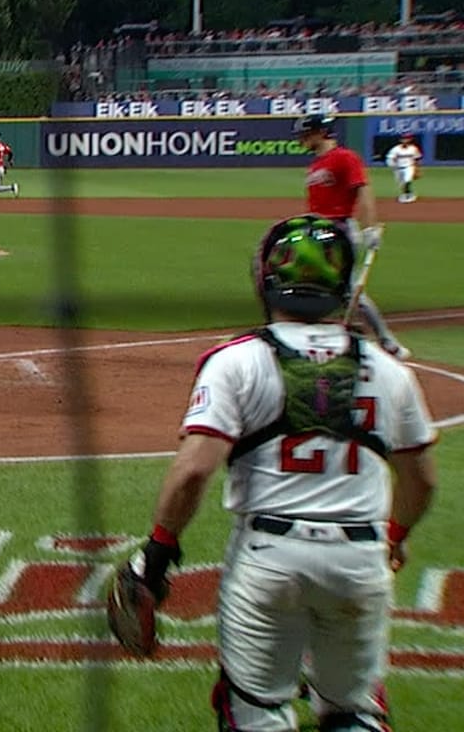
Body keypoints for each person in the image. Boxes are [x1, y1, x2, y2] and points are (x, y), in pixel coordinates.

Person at [117, 214, 437, 732]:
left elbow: (194, 471)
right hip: (359, 561)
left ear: (265, 279)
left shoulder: (236, 361)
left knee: (255, 710)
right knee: (353, 710)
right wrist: (394, 537)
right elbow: (422, 480)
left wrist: (156, 553)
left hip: (268, 560)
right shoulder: (388, 371)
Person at [294, 113, 410, 360]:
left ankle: (387, 341)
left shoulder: (344, 158)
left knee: (348, 290)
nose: (301, 140)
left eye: (306, 134)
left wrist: (370, 227)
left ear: (320, 133)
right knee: (318, 286)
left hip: (340, 230)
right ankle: (330, 337)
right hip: (317, 232)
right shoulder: (316, 164)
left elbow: (363, 190)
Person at [383, 132, 422, 203]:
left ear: (410, 140)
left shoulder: (413, 149)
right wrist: (392, 165)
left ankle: (405, 196)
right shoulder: (395, 149)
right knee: (401, 183)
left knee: (407, 181)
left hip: (409, 167)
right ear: (400, 140)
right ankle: (410, 194)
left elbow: (417, 159)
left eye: (407, 138)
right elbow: (389, 159)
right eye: (404, 138)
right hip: (398, 168)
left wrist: (417, 170)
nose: (405, 140)